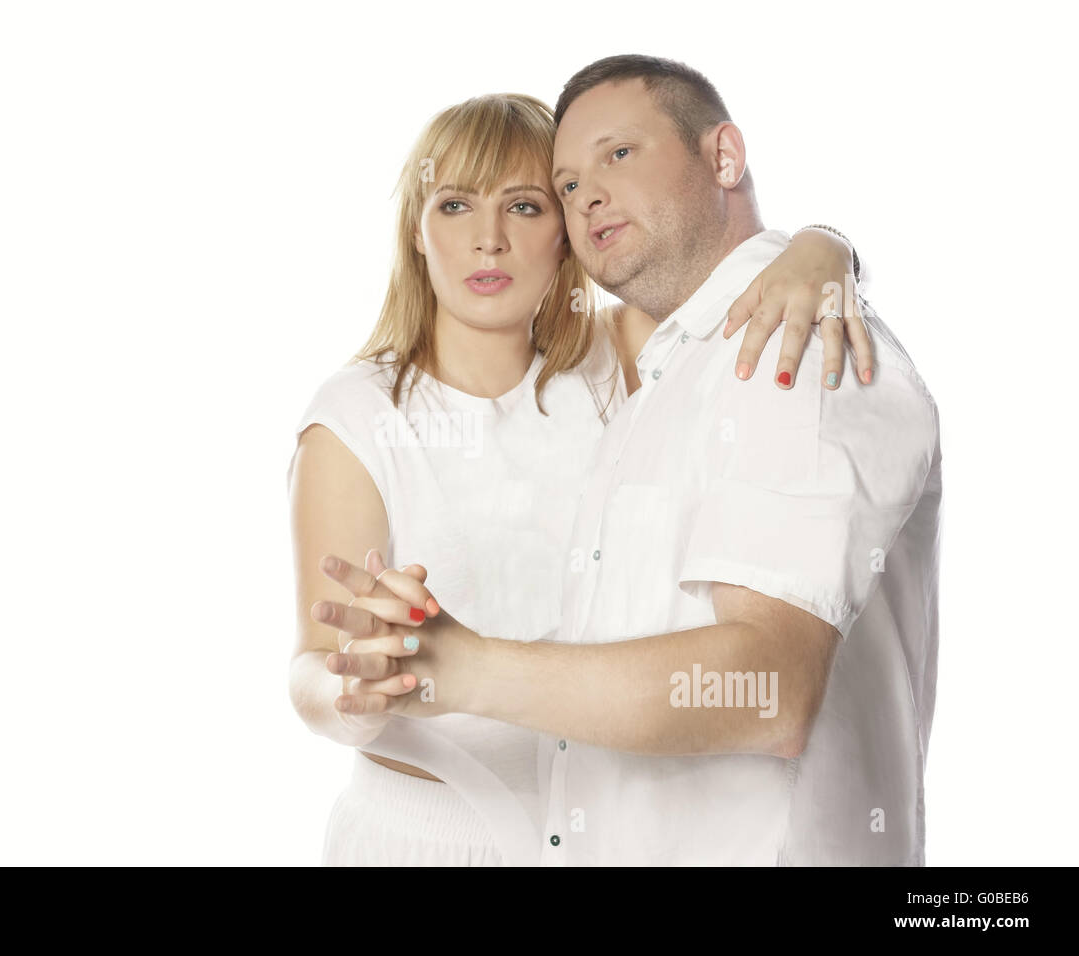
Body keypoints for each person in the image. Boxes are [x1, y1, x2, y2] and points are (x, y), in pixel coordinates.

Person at [312, 55, 941, 867]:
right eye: (568, 184)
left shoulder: (791, 344)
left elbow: (772, 688)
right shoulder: (668, 374)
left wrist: (468, 669)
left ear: (724, 157)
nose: (589, 196)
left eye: (618, 154)